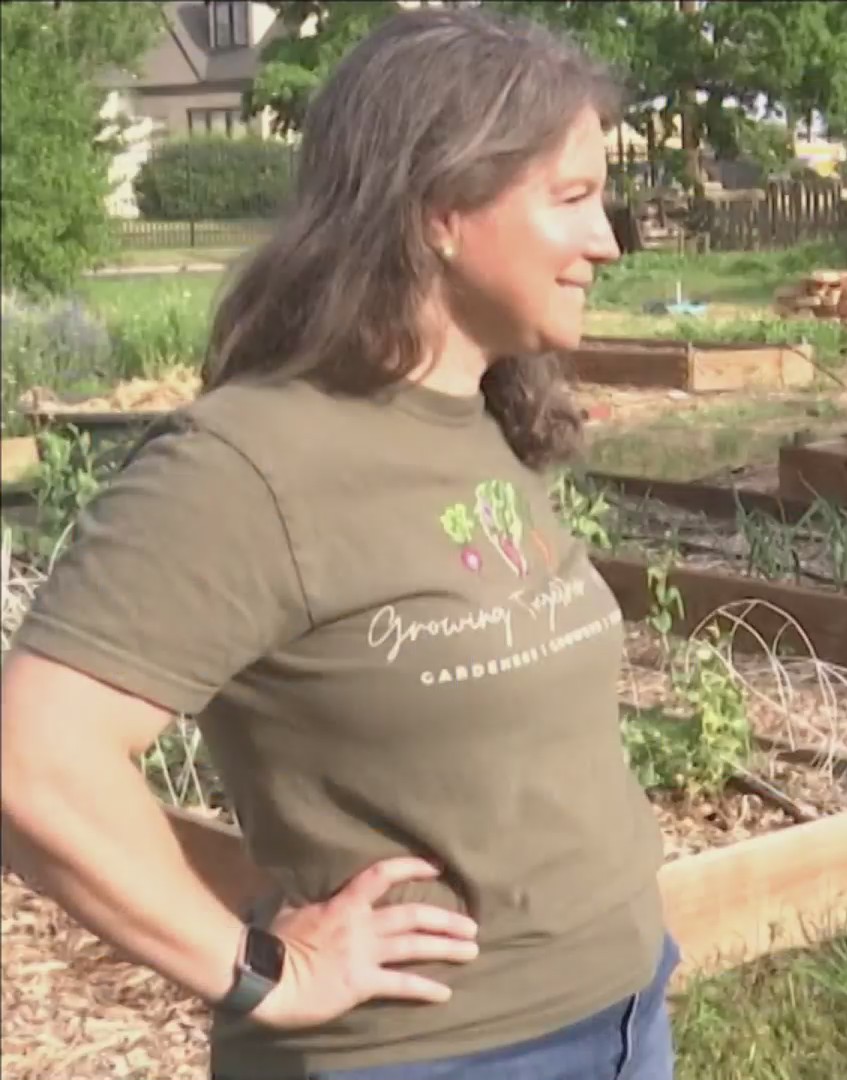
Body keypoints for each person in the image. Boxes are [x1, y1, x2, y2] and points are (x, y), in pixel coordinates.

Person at [0, 9, 678, 1079]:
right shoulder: (246, 467)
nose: (608, 240)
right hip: (433, 1057)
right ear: (441, 211)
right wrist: (263, 966)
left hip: (626, 1010)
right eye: (573, 199)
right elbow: (33, 765)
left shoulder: (486, 409)